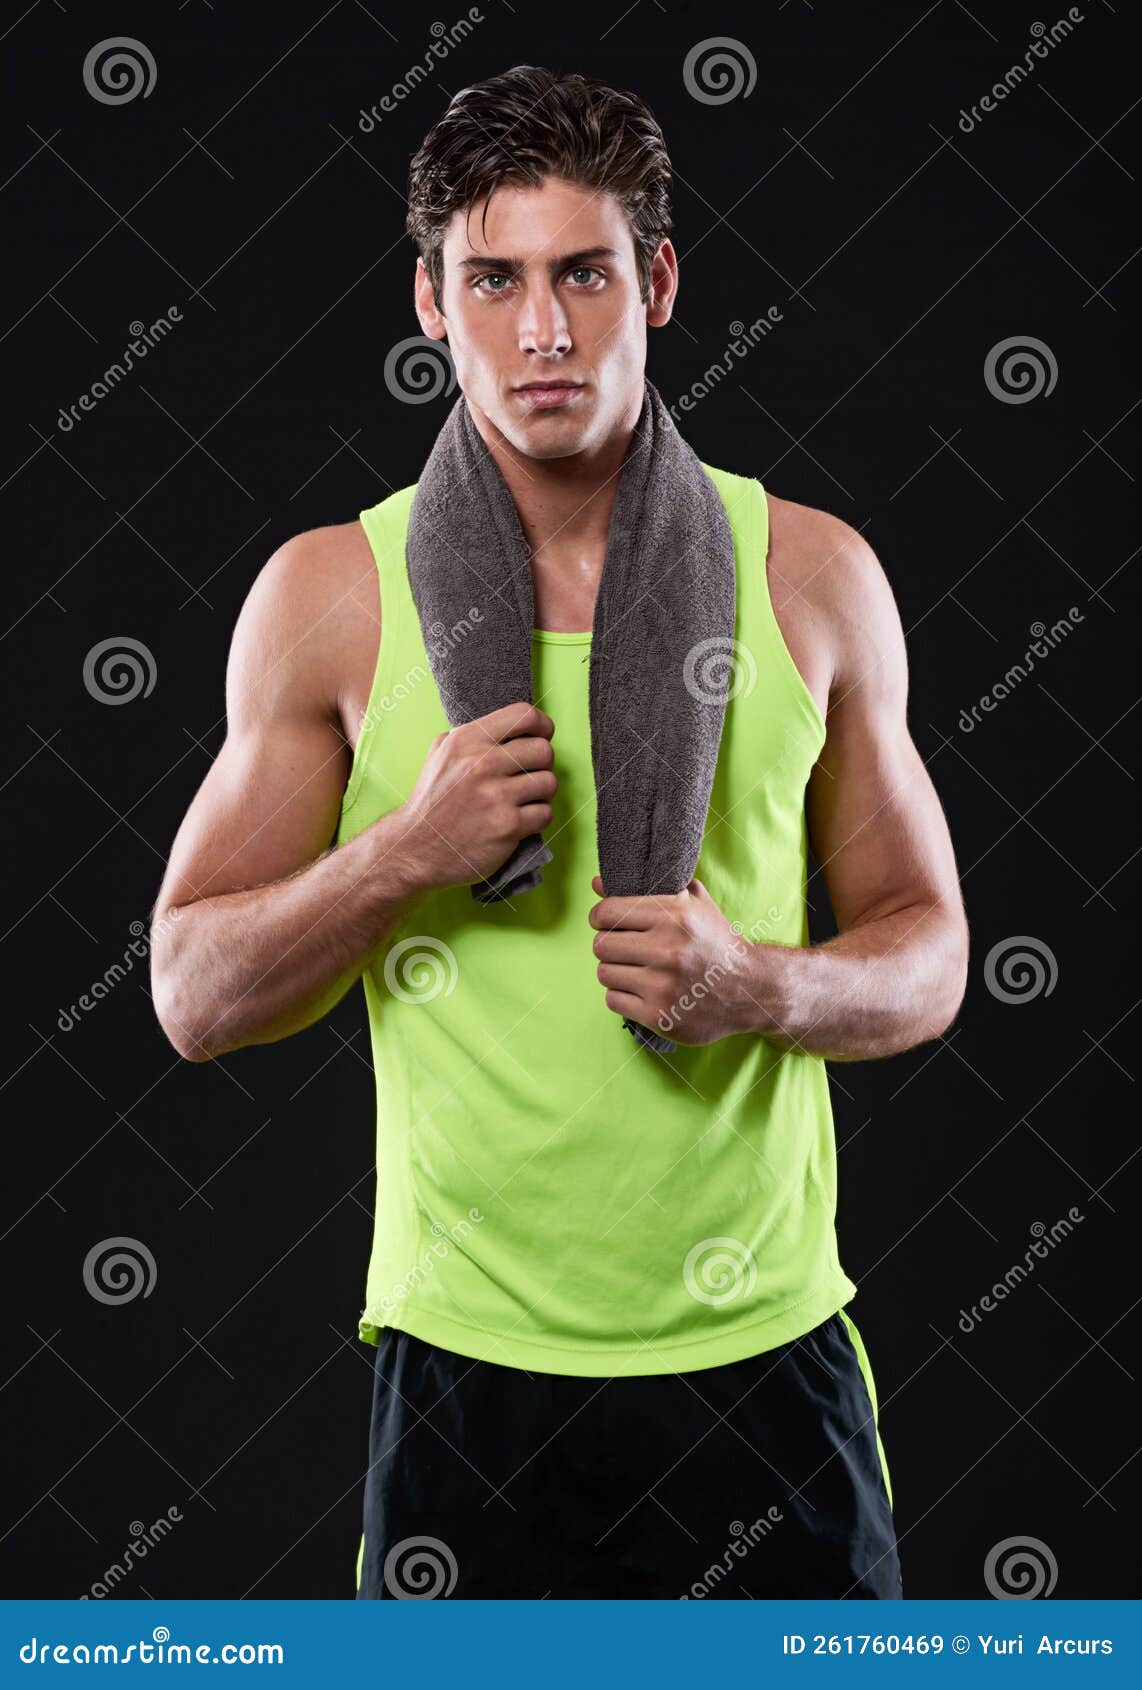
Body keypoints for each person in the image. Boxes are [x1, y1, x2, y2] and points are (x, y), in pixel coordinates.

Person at [150, 65, 968, 1599]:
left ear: (654, 280)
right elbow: (191, 995)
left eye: (583, 273)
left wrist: (756, 985)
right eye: (495, 280)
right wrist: (401, 851)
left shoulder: (808, 576)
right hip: (469, 1377)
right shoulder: (332, 597)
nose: (542, 330)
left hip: (761, 1354)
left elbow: (927, 955)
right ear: (429, 301)